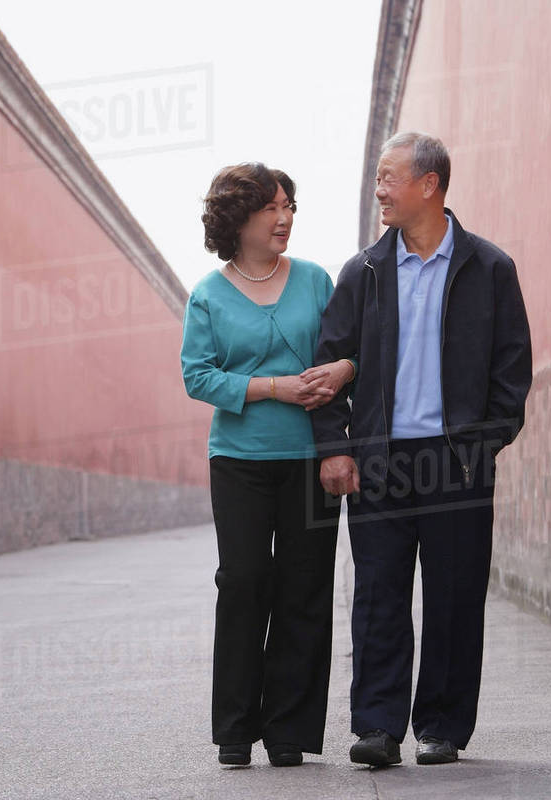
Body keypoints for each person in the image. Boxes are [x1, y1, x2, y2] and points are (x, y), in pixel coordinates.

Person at [312, 132, 532, 766]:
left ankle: (442, 726)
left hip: (455, 462)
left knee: (454, 598)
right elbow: (328, 366)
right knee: (378, 597)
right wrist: (336, 447)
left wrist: (482, 445)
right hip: (380, 461)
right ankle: (377, 727)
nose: (378, 189)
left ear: (429, 184)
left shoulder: (490, 268)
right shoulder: (363, 272)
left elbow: (512, 372)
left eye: (389, 177)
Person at [181, 162, 356, 768]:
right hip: (239, 460)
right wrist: (274, 388)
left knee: (305, 589)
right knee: (244, 581)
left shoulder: (314, 280)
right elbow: (197, 376)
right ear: (238, 218)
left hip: (311, 460)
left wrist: (343, 376)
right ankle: (235, 726)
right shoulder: (208, 294)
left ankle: (289, 731)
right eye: (271, 208)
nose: (284, 219)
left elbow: (347, 351)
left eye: (289, 207)